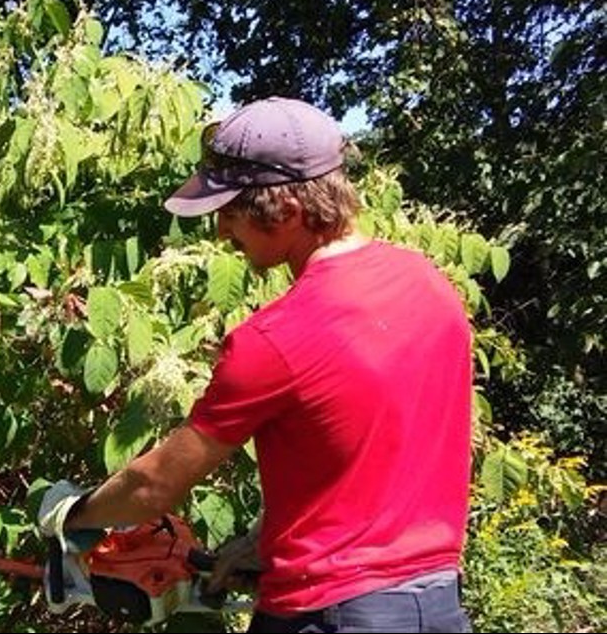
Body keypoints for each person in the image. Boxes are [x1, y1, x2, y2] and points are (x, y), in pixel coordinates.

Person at [38, 96, 474, 633]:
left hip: (331, 616)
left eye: (231, 212)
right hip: (436, 607)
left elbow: (156, 487)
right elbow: (376, 447)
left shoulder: (277, 337)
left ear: (288, 212)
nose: (222, 230)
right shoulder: (429, 283)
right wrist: (267, 540)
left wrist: (70, 518)